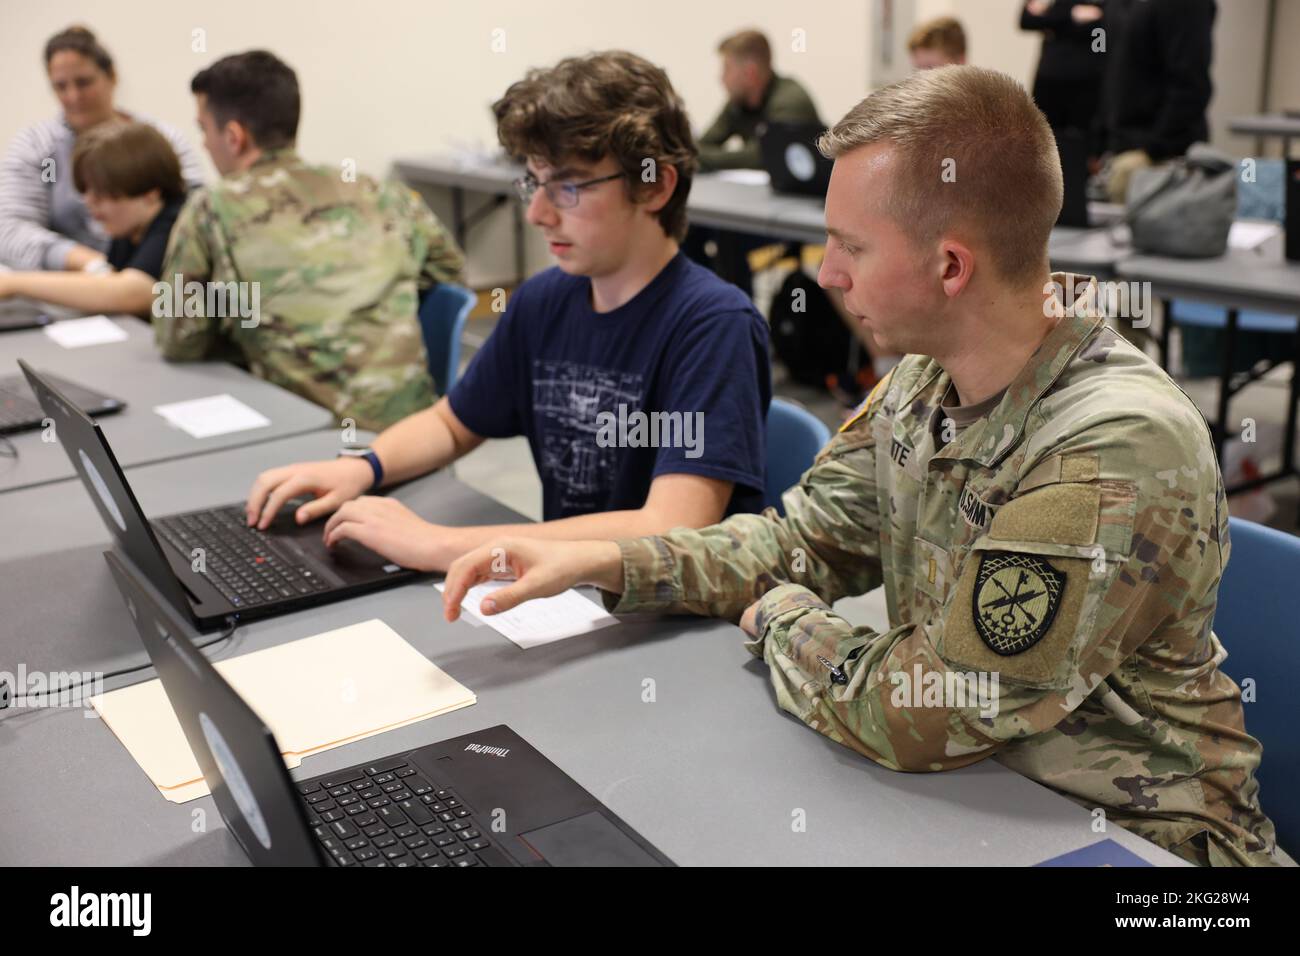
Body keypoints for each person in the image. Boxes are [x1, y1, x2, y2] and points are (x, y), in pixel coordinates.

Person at [441, 65, 1288, 868]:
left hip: (1151, 851)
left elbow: (928, 707)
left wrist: (781, 620)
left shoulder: (1111, 445)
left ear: (951, 266)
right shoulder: (926, 377)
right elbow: (799, 543)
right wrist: (602, 561)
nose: (827, 272)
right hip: (976, 802)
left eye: (850, 245)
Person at [242, 51, 772, 575]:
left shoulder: (713, 325)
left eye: (568, 187)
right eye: (533, 183)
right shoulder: (545, 300)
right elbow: (452, 424)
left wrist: (441, 544)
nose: (537, 214)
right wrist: (363, 468)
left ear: (655, 185)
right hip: (572, 598)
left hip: (672, 619)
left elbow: (671, 529)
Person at [155, 50, 464, 431]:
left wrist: (241, 311)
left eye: (204, 129)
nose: (202, 143)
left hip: (305, 443)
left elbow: (177, 338)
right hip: (414, 433)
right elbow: (450, 270)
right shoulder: (377, 190)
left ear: (234, 136)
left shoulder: (211, 208)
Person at [0, 25, 203, 271]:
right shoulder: (40, 147)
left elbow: (193, 212)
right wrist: (90, 265)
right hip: (72, 285)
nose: (73, 97)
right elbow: (10, 228)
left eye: (84, 83)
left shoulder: (160, 140)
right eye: (60, 87)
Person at [0, 121, 186, 315]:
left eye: (102, 192)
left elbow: (131, 292)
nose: (89, 201)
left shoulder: (177, 222)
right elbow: (110, 281)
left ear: (150, 195)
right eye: (86, 190)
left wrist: (13, 283)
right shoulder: (128, 229)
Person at [1096, 0, 1216, 202]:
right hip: (1119, 151)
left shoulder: (1185, 6)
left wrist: (1152, 151)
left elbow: (1191, 86)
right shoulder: (1118, 6)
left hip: (1164, 159)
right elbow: (1112, 72)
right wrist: (1099, 142)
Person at [696, 29, 821, 172]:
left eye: (727, 69)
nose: (721, 78)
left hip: (804, 194)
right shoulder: (738, 103)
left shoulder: (791, 101)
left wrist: (701, 157)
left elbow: (765, 156)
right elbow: (702, 145)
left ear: (750, 73)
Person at [1019, 1, 1105, 145]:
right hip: (1049, 78)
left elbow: (1102, 29)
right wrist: (1073, 14)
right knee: (1039, 139)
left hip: (1086, 80)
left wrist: (1051, 20)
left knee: (1082, 143)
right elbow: (1026, 20)